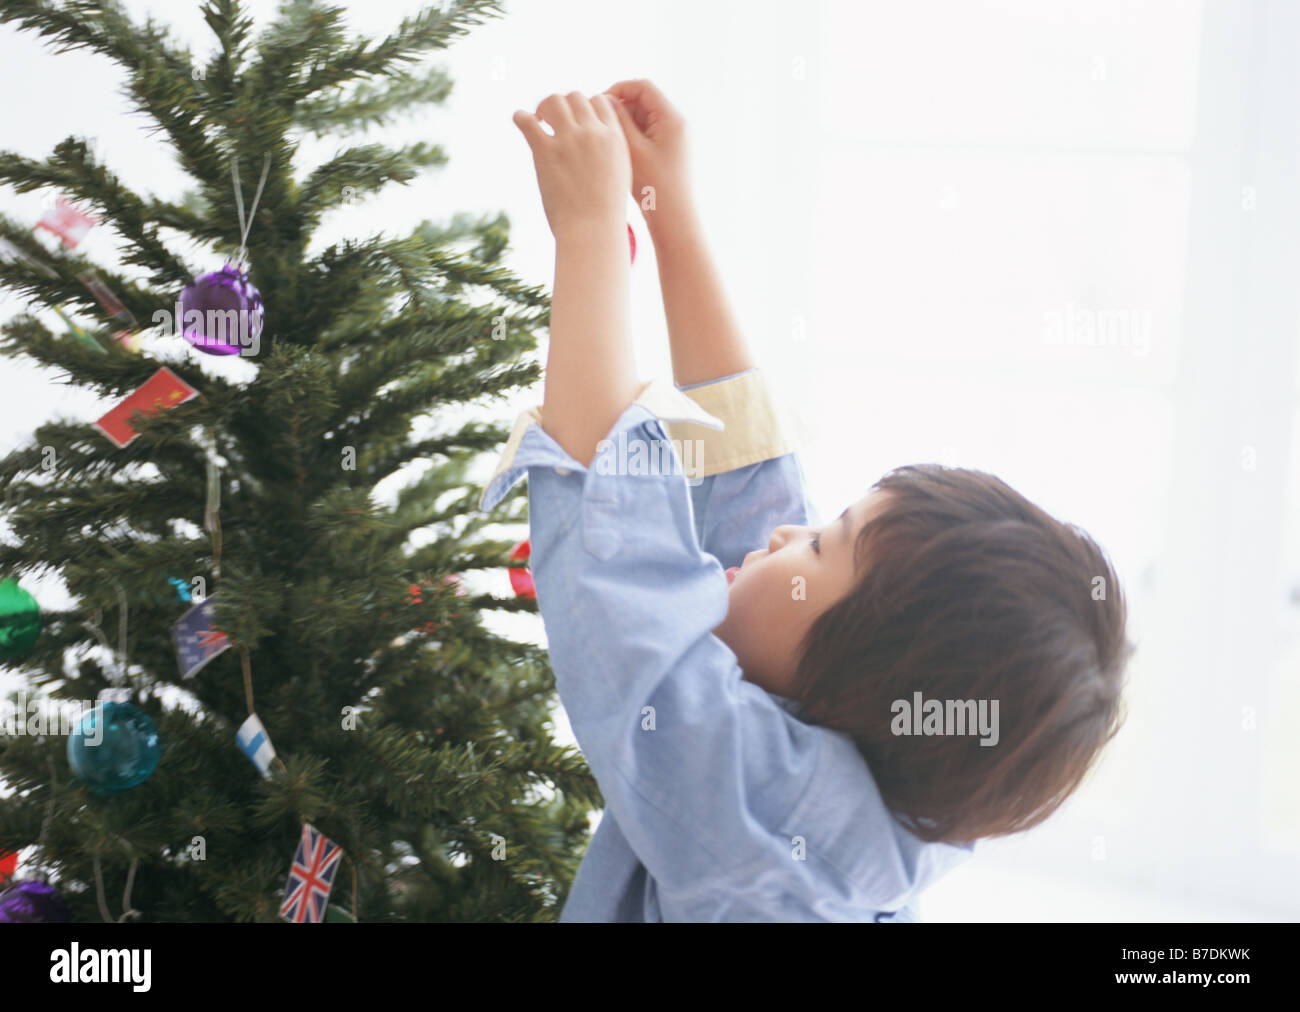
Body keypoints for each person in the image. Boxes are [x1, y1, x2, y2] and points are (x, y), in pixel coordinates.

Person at [479, 80, 1133, 921]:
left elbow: (624, 605)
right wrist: (666, 212)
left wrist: (590, 231)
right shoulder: (884, 789)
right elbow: (752, 504)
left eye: (824, 546)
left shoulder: (768, 822)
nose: (790, 533)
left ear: (862, 675)